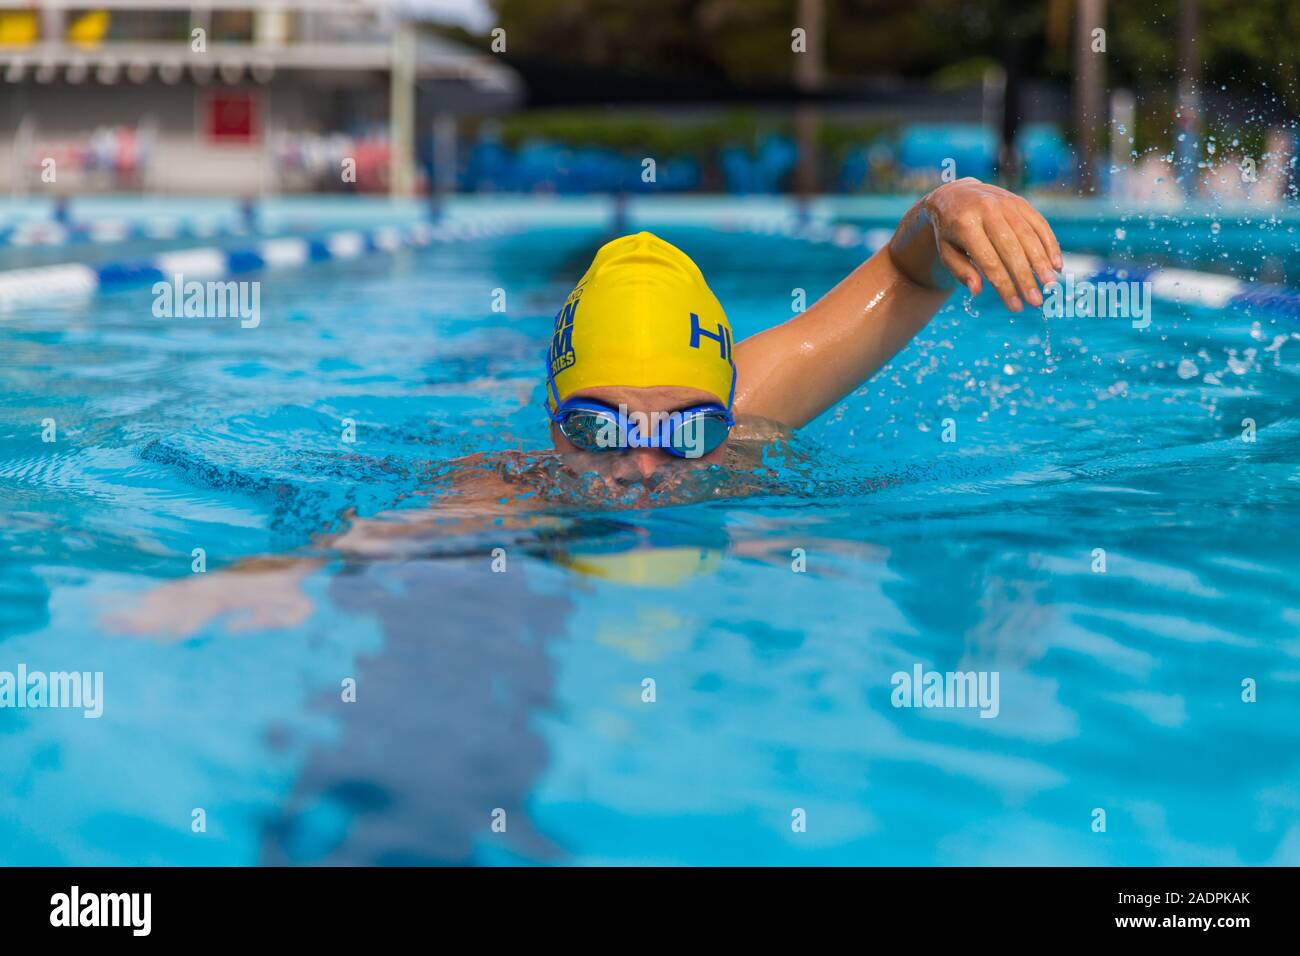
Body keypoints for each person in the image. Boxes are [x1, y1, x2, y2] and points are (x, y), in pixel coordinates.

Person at [109, 176, 1061, 636]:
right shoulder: (510, 487)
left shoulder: (753, 410)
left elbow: (906, 270)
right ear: (553, 421)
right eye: (600, 428)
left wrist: (954, 203)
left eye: (688, 431)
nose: (644, 468)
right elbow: (380, 536)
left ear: (728, 401)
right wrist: (266, 575)